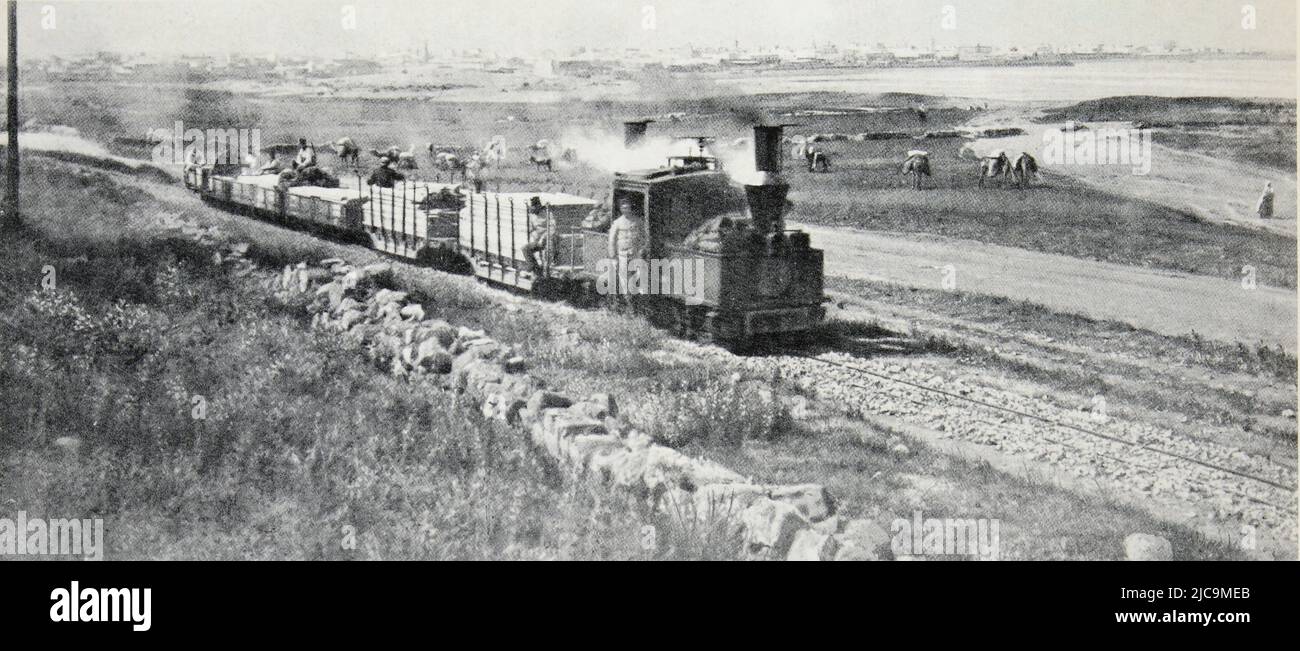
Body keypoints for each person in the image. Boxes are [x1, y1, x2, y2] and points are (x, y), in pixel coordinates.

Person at [608, 196, 645, 299]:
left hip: (635, 252)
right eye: (623, 208)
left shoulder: (637, 221)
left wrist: (642, 248)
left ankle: (639, 294)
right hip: (623, 254)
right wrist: (613, 256)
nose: (626, 210)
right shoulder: (617, 222)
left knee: (640, 273)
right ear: (621, 209)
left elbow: (644, 236)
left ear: (630, 208)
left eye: (627, 208)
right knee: (625, 277)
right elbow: (611, 240)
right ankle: (628, 298)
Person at [521, 197, 551, 274]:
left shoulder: (547, 214)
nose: (532, 209)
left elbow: (551, 228)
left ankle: (534, 268)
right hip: (538, 240)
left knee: (526, 249)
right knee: (525, 248)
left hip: (547, 240)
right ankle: (536, 269)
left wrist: (543, 238)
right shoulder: (533, 215)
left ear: (538, 206)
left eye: (533, 207)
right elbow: (532, 227)